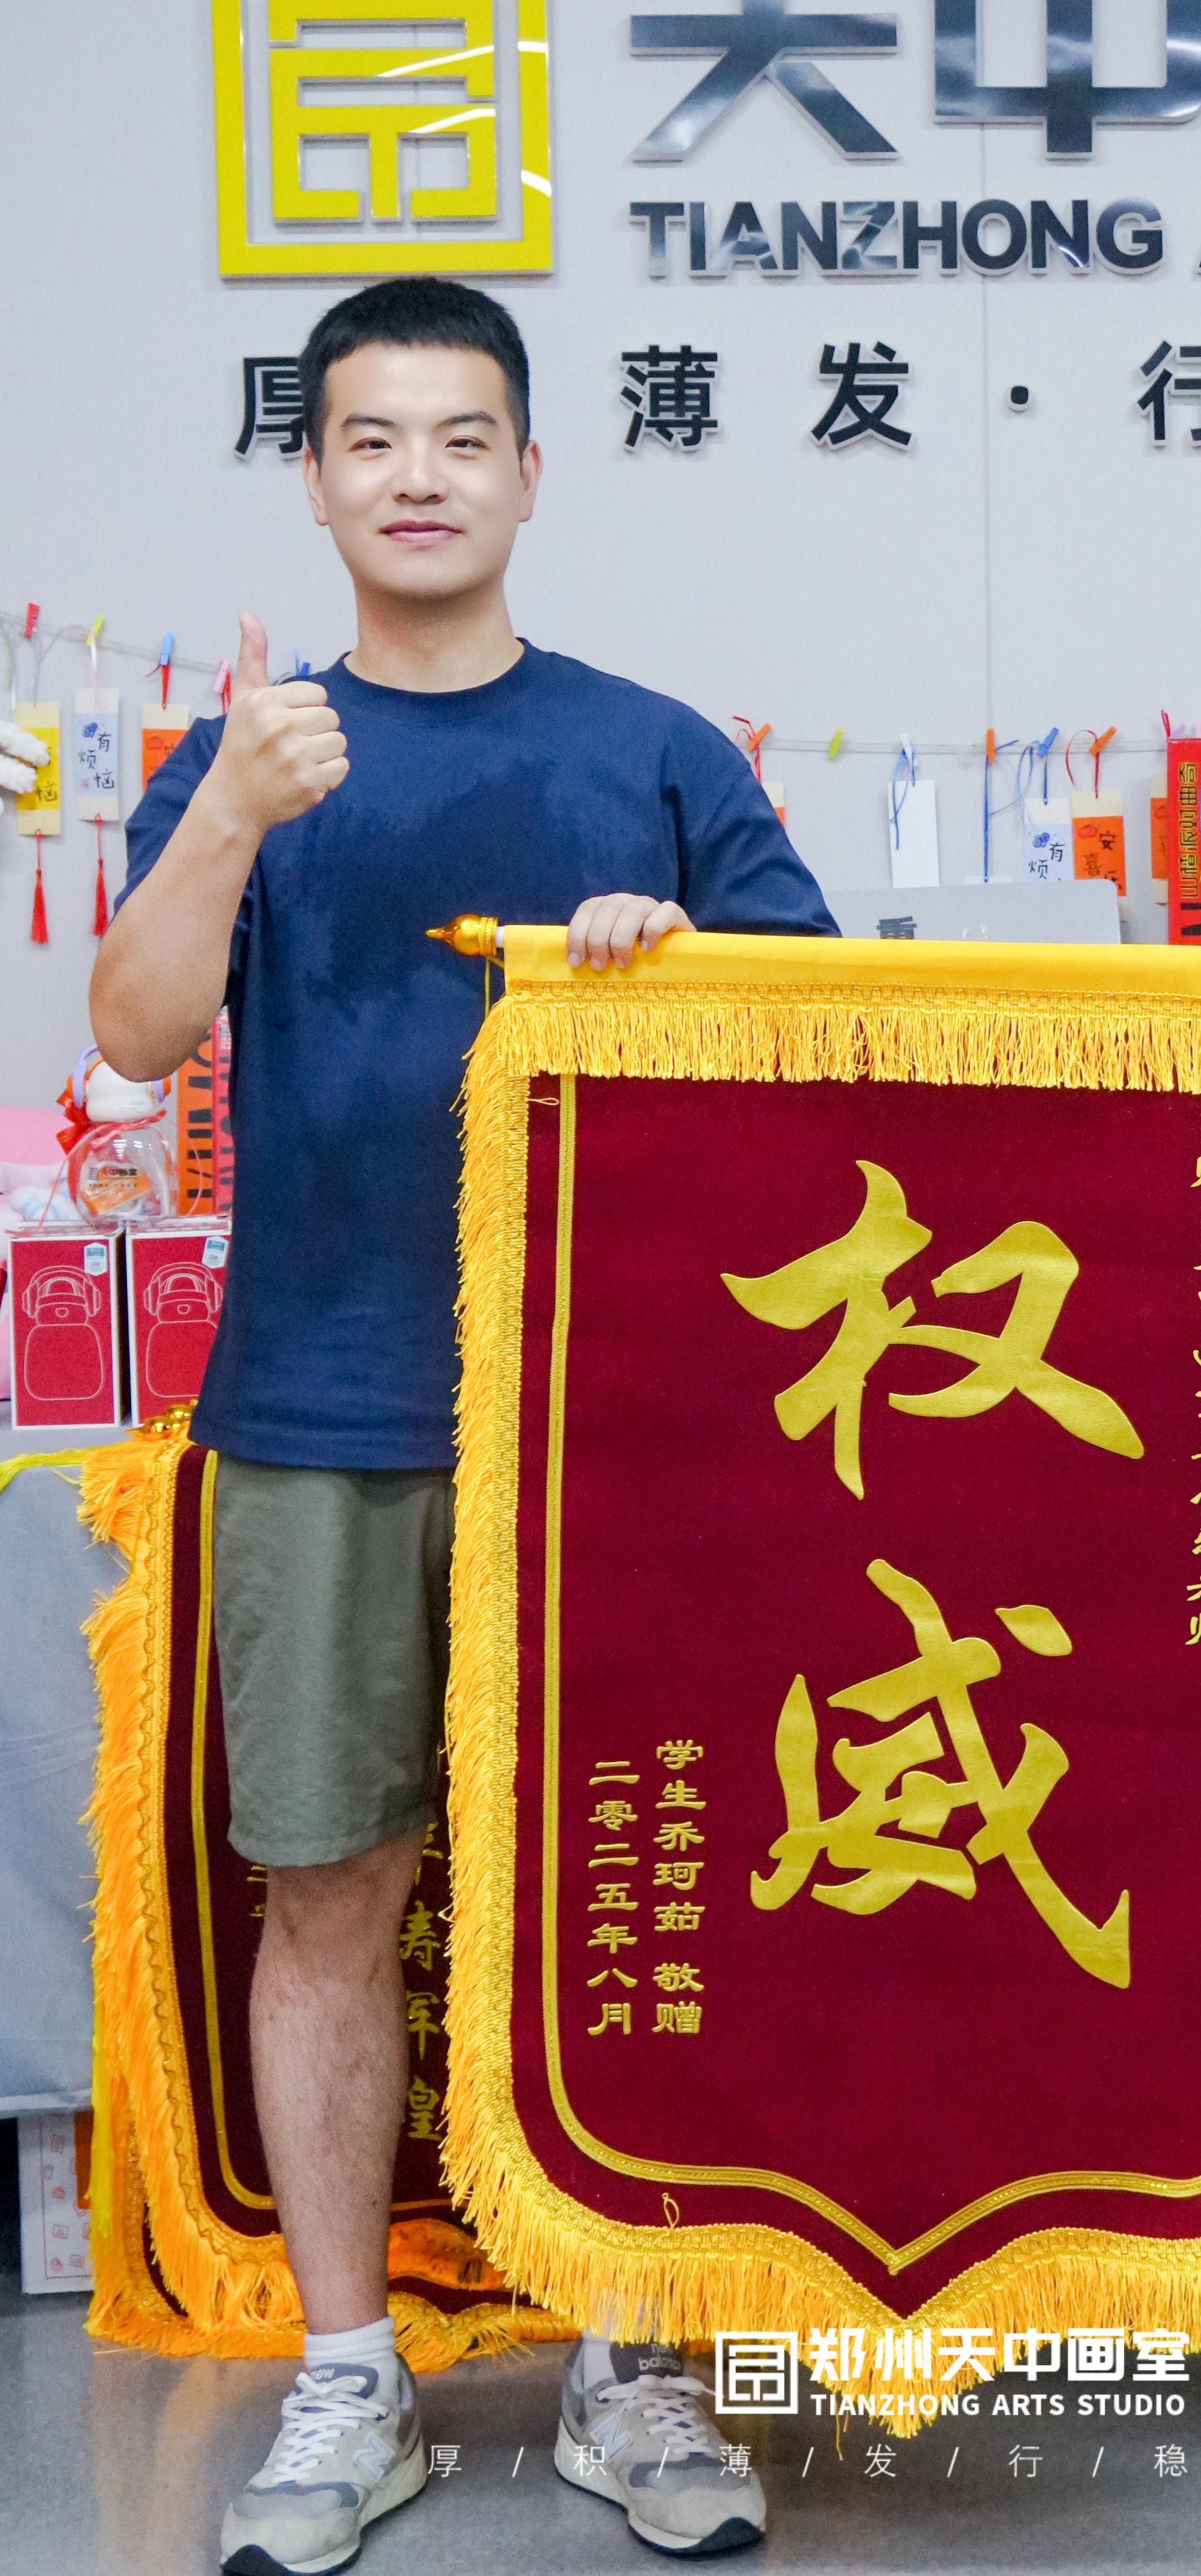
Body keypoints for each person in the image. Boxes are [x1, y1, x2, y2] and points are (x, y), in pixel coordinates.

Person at [93, 276, 832, 2572]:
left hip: (621, 1434)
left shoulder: (655, 751)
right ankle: (351, 2379)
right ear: (315, 479)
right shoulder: (245, 753)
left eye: (459, 436)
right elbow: (134, 1033)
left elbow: (835, 1049)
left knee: (628, 1885)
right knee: (330, 1892)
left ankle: (633, 2360)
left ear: (529, 472)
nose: (416, 474)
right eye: (371, 437)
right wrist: (230, 814)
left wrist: (678, 980)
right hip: (321, 1411)